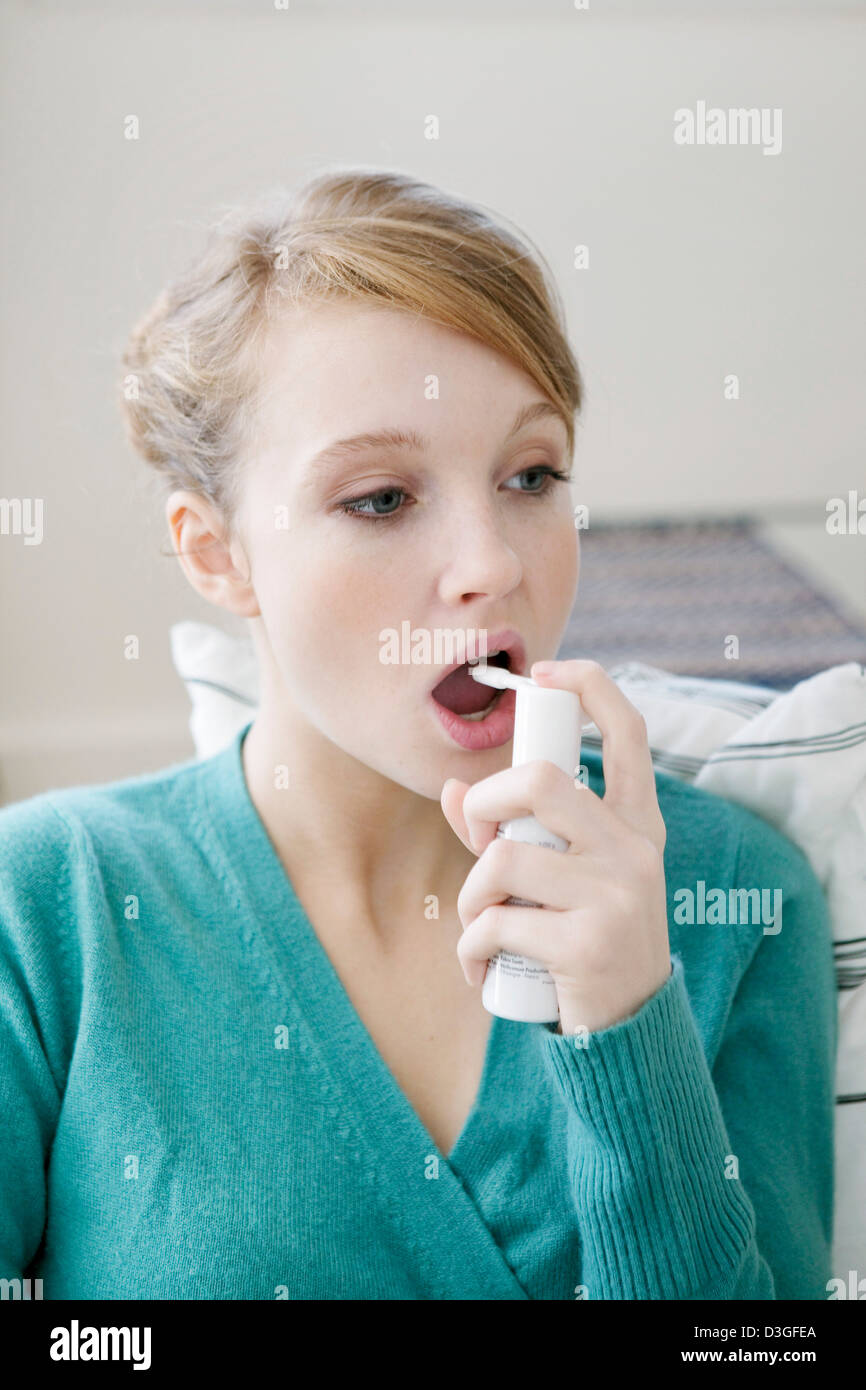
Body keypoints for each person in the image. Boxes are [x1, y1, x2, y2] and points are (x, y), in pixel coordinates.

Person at [0, 168, 836, 1300]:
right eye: (381, 499)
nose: (492, 562)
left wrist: (631, 1025)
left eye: (529, 475)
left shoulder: (734, 897)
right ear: (216, 554)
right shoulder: (54, 908)